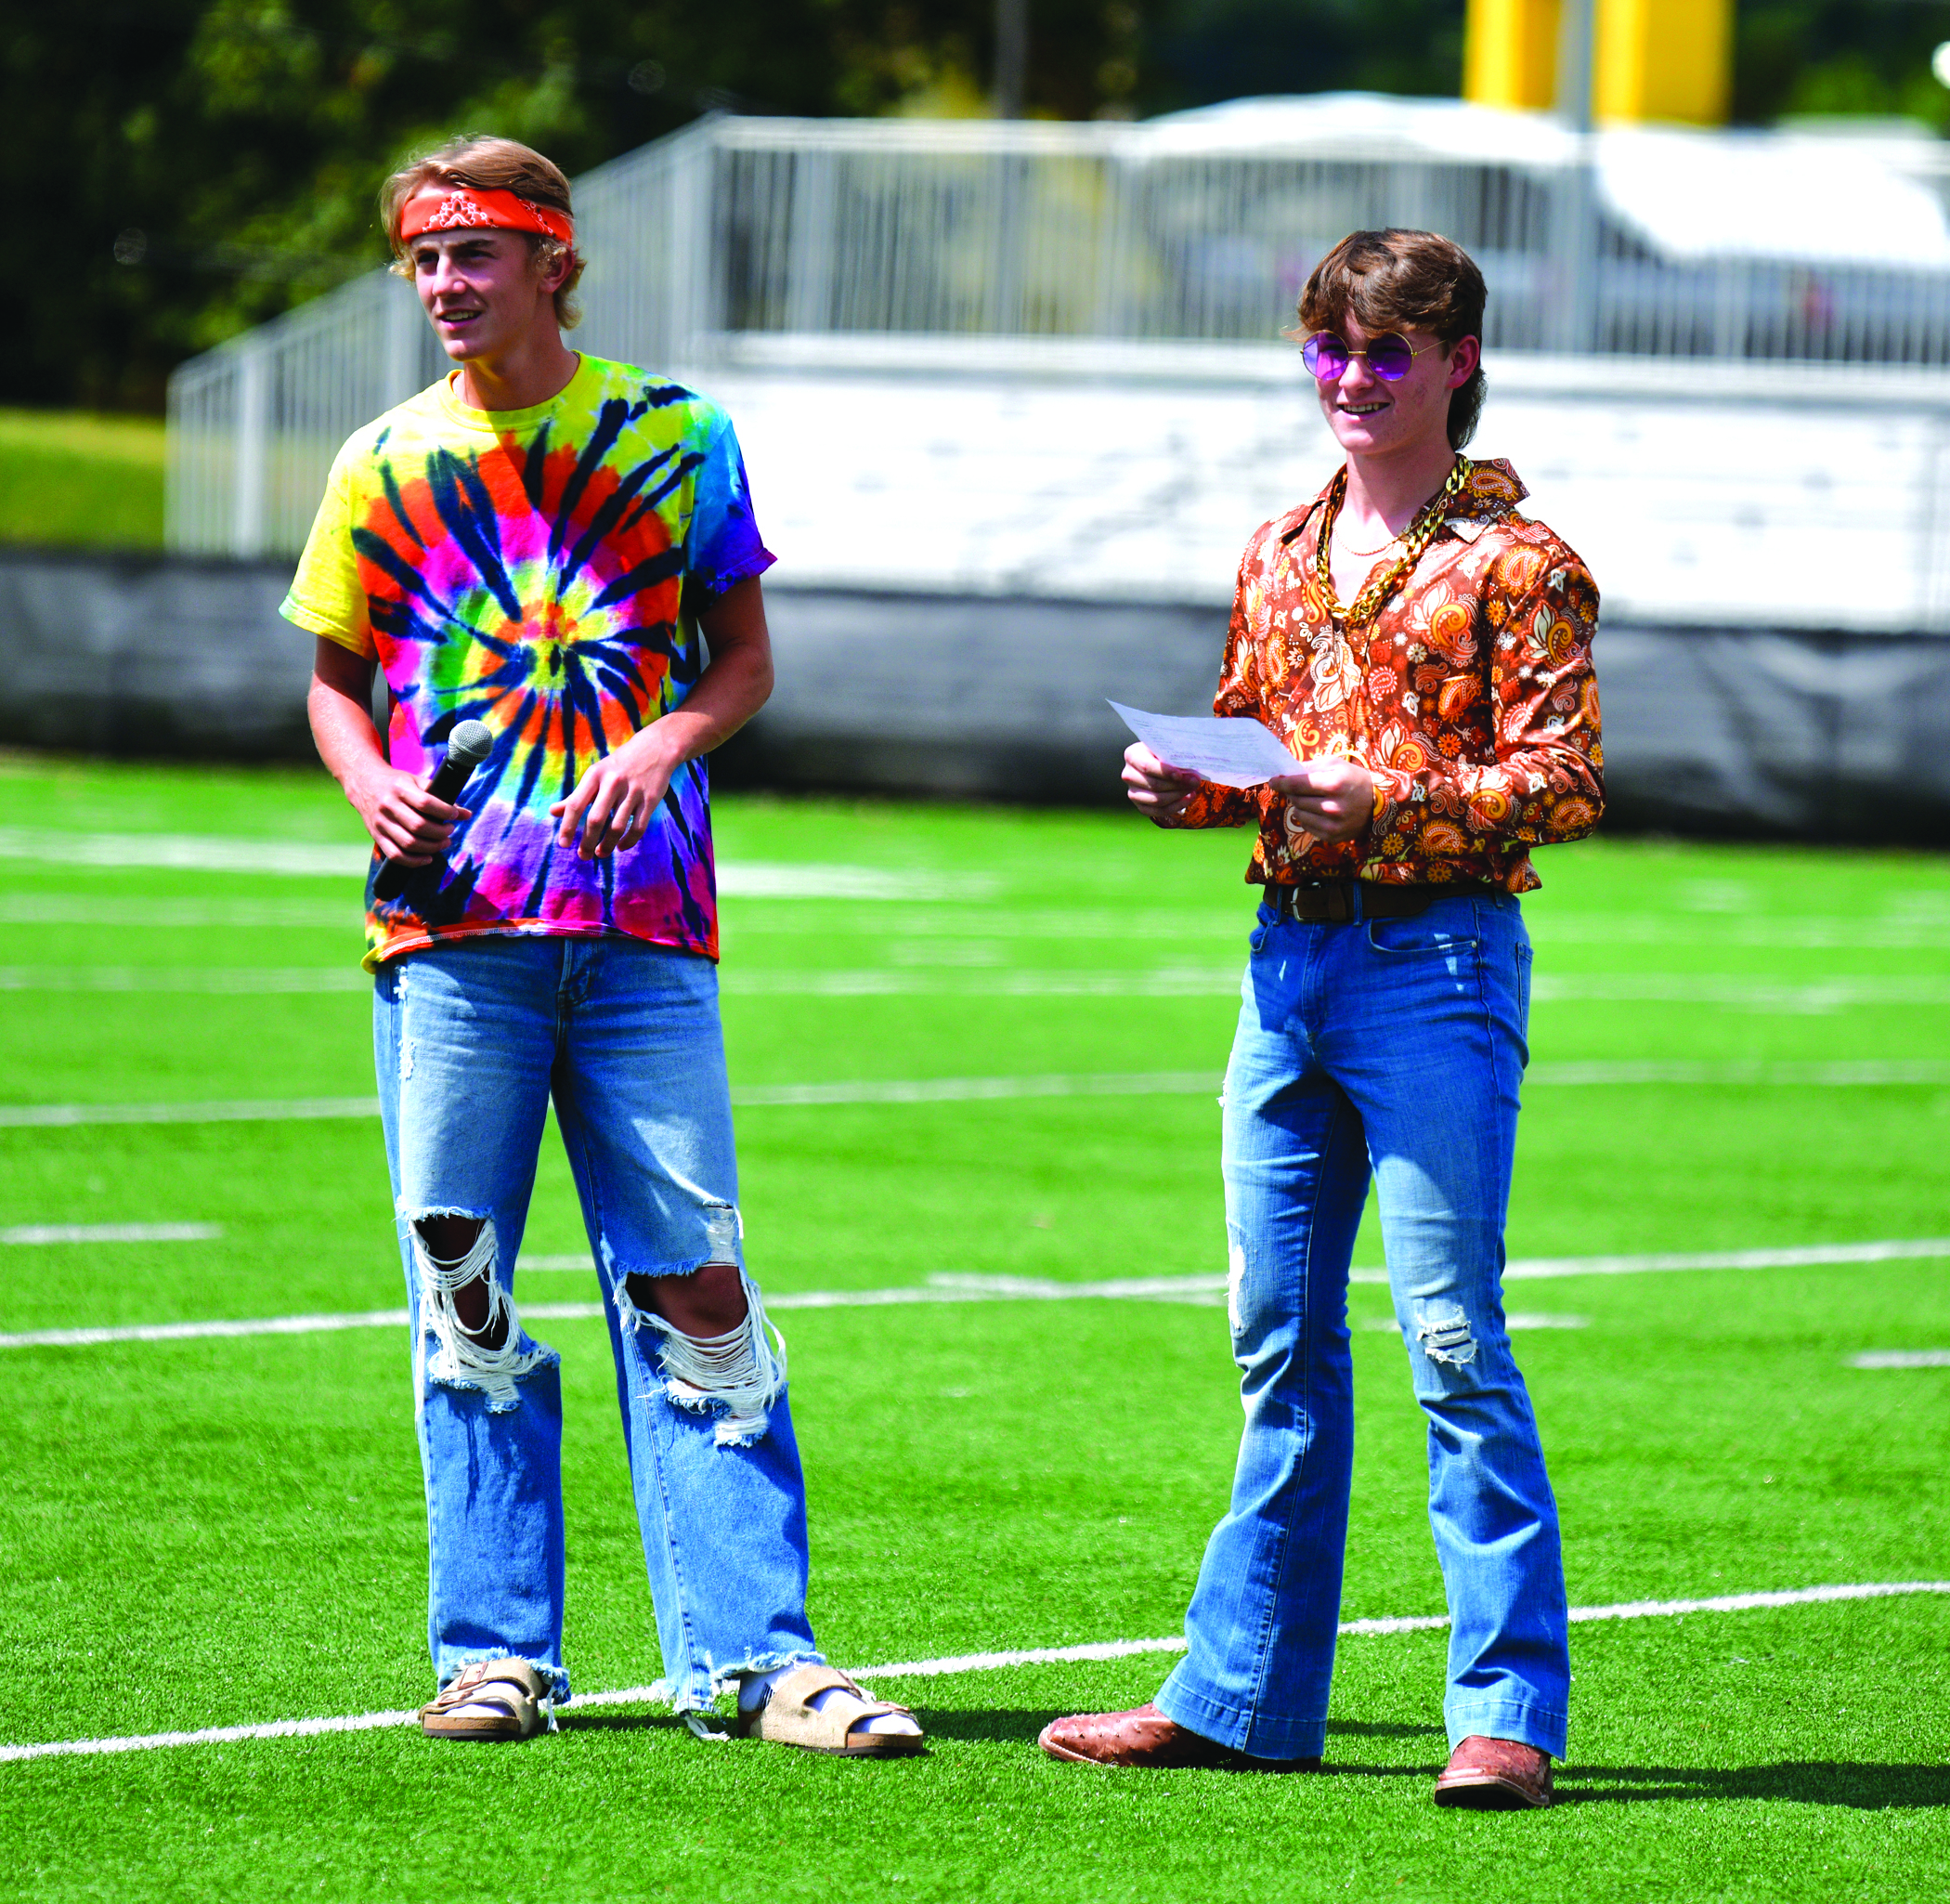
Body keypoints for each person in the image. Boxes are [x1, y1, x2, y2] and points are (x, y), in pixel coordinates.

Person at [281, 134, 921, 1754]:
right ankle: (495, 1657)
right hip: (446, 938)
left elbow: (748, 660)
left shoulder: (676, 433)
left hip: (645, 937)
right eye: (422, 261)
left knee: (699, 1287)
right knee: (464, 1291)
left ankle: (758, 1662)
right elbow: (333, 683)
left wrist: (659, 749)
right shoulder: (378, 461)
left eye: (471, 256)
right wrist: (364, 784)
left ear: (553, 260)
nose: (442, 286)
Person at [1038, 229, 1602, 1808]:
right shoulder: (1278, 547)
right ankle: (1242, 1698)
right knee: (1278, 1340)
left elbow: (1562, 781)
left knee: (1448, 1338)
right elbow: (1249, 741)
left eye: (1389, 355)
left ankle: (1505, 1713)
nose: (1353, 382)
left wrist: (1392, 801)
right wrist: (1183, 784)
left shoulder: (1522, 561)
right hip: (1285, 967)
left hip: (1436, 967)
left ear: (1456, 365)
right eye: (1333, 353)